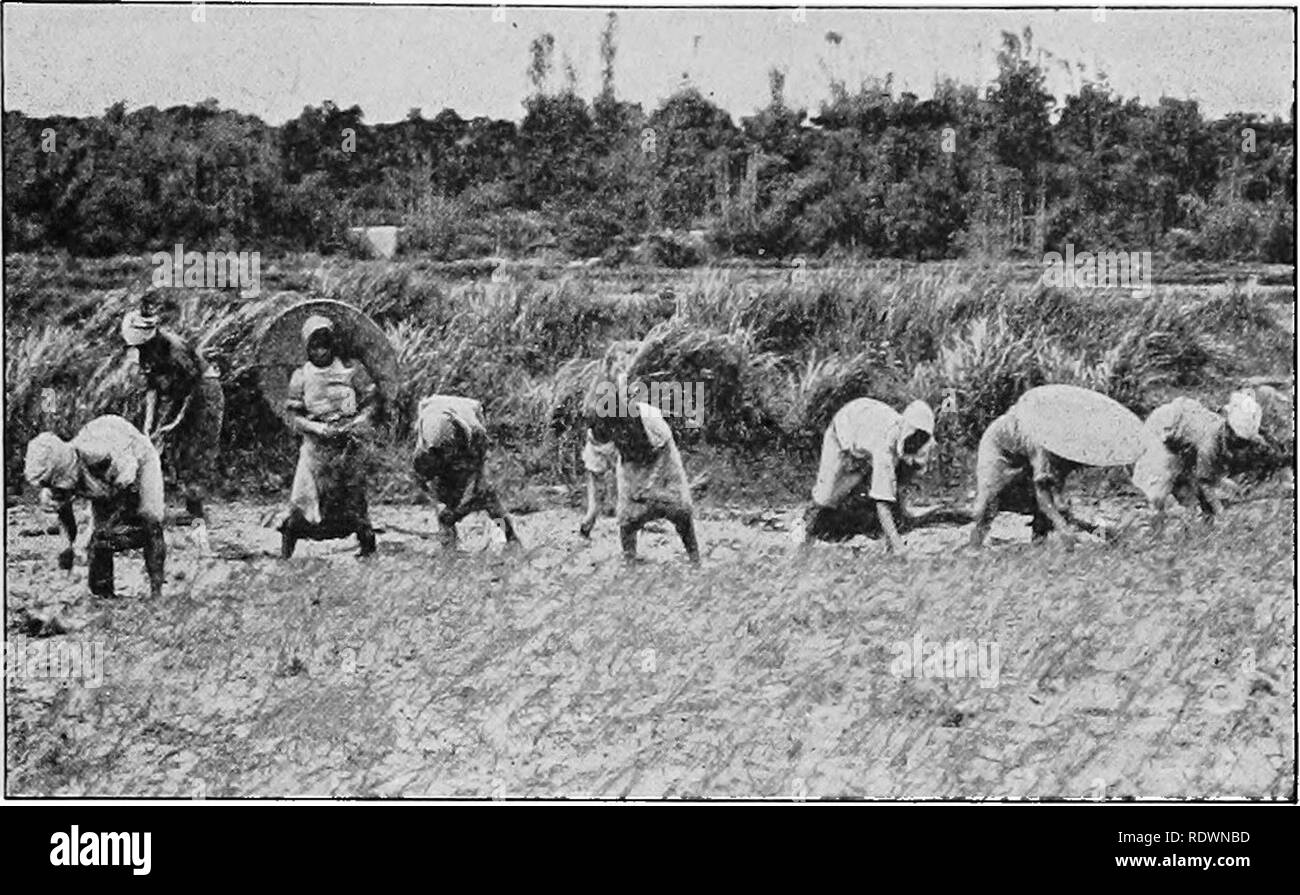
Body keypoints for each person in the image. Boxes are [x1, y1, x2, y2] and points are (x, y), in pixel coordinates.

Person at [968, 385, 1141, 547]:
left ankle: (1038, 547)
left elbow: (1054, 498)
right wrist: (1062, 526)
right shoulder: (1043, 441)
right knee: (988, 502)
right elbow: (1042, 491)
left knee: (1054, 510)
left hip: (1029, 455)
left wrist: (1060, 516)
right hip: (1001, 449)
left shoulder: (1068, 443)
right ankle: (974, 544)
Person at [120, 301, 224, 555]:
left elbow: (187, 394)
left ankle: (200, 533)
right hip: (177, 395)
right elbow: (153, 391)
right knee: (166, 455)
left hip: (202, 394)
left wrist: (171, 425)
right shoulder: (143, 351)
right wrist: (148, 428)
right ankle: (157, 519)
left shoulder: (173, 352)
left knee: (193, 460)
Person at [24, 415, 167, 599]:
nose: (59, 492)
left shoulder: (100, 456)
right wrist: (67, 546)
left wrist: (106, 528)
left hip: (137, 462)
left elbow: (127, 491)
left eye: (61, 487)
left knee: (149, 520)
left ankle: (157, 590)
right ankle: (103, 595)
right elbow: (65, 514)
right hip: (103, 481)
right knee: (99, 540)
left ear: (68, 470)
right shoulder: (55, 480)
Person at [278, 315, 378, 559]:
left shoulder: (350, 370)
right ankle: (286, 554)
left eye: (325, 345)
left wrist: (355, 422)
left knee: (352, 500)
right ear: (307, 348)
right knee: (305, 502)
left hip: (346, 447)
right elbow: (293, 415)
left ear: (333, 345)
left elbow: (369, 403)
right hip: (316, 450)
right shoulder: (301, 376)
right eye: (314, 346)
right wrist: (317, 428)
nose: (320, 352)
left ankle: (368, 551)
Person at [803, 398, 936, 552]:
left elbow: (896, 487)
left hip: (865, 441)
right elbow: (882, 503)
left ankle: (887, 542)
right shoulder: (884, 448)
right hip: (842, 432)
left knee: (873, 485)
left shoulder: (920, 441)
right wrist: (899, 548)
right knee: (826, 497)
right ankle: (804, 541)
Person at [588, 400, 699, 563]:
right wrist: (591, 514)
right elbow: (596, 470)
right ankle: (629, 560)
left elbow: (662, 453)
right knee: (627, 519)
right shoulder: (598, 431)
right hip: (631, 467)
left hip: (664, 464)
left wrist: (646, 488)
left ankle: (695, 558)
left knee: (680, 511)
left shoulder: (649, 418)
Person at [1132, 390, 1264, 524]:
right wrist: (1220, 512)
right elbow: (1204, 483)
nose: (1242, 445)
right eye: (1240, 440)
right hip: (1163, 430)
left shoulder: (1223, 435)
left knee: (1191, 497)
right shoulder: (1210, 444)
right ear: (1230, 432)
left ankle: (1194, 519)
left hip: (1186, 438)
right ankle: (1144, 518)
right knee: (1160, 492)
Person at [412, 394, 519, 548]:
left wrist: (461, 508)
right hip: (431, 410)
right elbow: (421, 478)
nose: (450, 454)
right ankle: (449, 546)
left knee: (488, 500)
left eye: (452, 449)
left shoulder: (476, 434)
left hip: (469, 414)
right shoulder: (425, 448)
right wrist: (440, 504)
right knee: (444, 512)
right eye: (446, 451)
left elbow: (478, 478)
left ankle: (510, 536)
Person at [578, 340, 641, 539]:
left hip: (600, 441)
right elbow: (624, 413)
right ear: (614, 362)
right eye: (622, 359)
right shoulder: (614, 383)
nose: (624, 362)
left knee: (606, 494)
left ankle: (591, 522)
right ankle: (597, 519)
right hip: (607, 443)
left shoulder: (602, 380)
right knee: (620, 489)